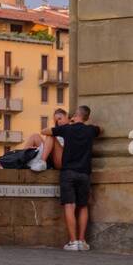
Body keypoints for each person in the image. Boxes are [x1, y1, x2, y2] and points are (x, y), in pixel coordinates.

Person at [43, 105, 102, 251]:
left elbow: (45, 132)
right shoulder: (91, 131)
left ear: (75, 116)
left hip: (68, 172)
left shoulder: (67, 129)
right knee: (83, 206)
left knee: (70, 205)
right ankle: (82, 241)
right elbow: (100, 129)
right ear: (87, 117)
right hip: (85, 173)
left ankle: (73, 241)